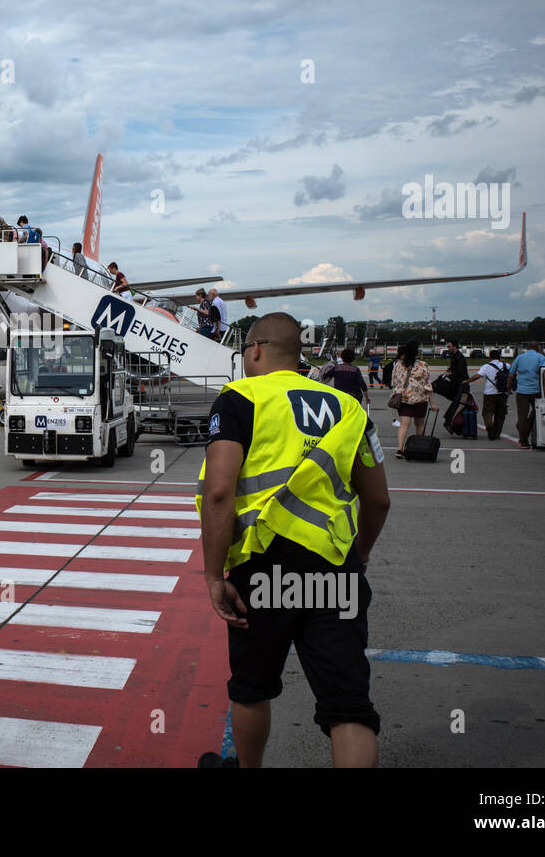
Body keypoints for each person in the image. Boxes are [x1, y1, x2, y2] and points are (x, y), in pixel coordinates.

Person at [197, 312, 390, 767]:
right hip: (334, 566)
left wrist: (212, 573)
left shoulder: (240, 397)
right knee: (348, 707)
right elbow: (378, 500)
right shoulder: (349, 407)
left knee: (251, 687)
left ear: (257, 349)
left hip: (264, 568)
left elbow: (220, 491)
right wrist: (357, 555)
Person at [391, 340, 433, 456]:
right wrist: (432, 402)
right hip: (420, 398)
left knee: (404, 424)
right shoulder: (423, 365)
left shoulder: (398, 365)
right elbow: (428, 384)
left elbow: (394, 381)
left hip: (403, 398)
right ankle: (418, 447)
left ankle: (400, 448)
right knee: (419, 424)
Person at [508, 344, 545, 449]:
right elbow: (543, 373)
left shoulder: (520, 357)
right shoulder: (541, 357)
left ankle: (523, 440)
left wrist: (508, 387)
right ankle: (535, 436)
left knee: (522, 416)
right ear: (538, 349)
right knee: (537, 414)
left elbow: (511, 374)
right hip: (536, 390)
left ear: (527, 348)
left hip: (522, 391)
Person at [468, 349, 510, 441]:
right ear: (500, 357)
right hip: (503, 393)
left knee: (487, 413)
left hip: (490, 393)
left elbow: (477, 376)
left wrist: (467, 381)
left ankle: (490, 429)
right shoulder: (506, 365)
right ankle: (497, 433)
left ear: (490, 357)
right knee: (500, 414)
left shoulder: (486, 366)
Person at [440, 340, 469, 430]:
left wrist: (450, 375)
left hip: (462, 383)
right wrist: (449, 369)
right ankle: (450, 421)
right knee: (457, 402)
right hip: (456, 382)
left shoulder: (460, 357)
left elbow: (461, 372)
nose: (448, 348)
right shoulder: (453, 355)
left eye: (449, 346)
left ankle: (451, 421)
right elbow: (454, 367)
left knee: (460, 402)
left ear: (455, 347)